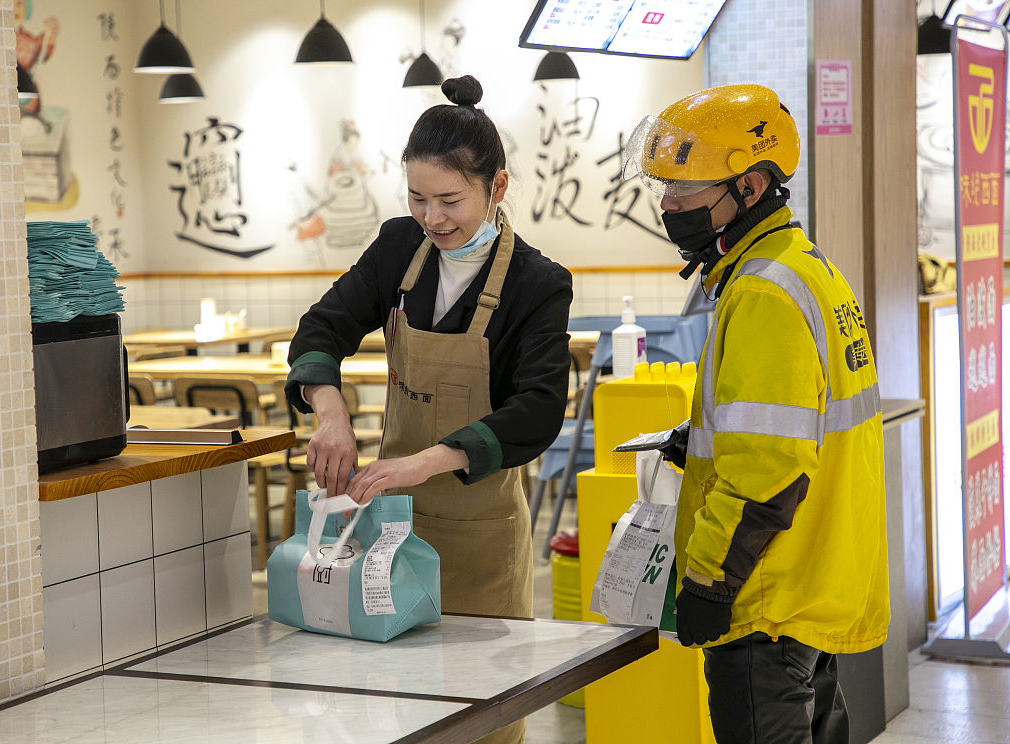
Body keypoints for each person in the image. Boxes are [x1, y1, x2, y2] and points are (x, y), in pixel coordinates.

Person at [284, 74, 572, 744]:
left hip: (482, 539)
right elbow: (320, 329)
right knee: (399, 711)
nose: (432, 218)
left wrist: (427, 463)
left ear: (496, 189)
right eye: (417, 198)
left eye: (450, 200)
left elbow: (538, 409)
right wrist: (329, 411)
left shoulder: (536, 282)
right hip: (391, 530)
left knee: (484, 716)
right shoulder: (397, 249)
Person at [622, 84, 888, 744]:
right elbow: (784, 428)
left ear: (750, 186)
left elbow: (769, 470)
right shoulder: (796, 265)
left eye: (686, 189)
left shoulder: (764, 291)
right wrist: (703, 441)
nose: (668, 204)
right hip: (811, 579)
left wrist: (709, 581)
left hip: (767, 596)